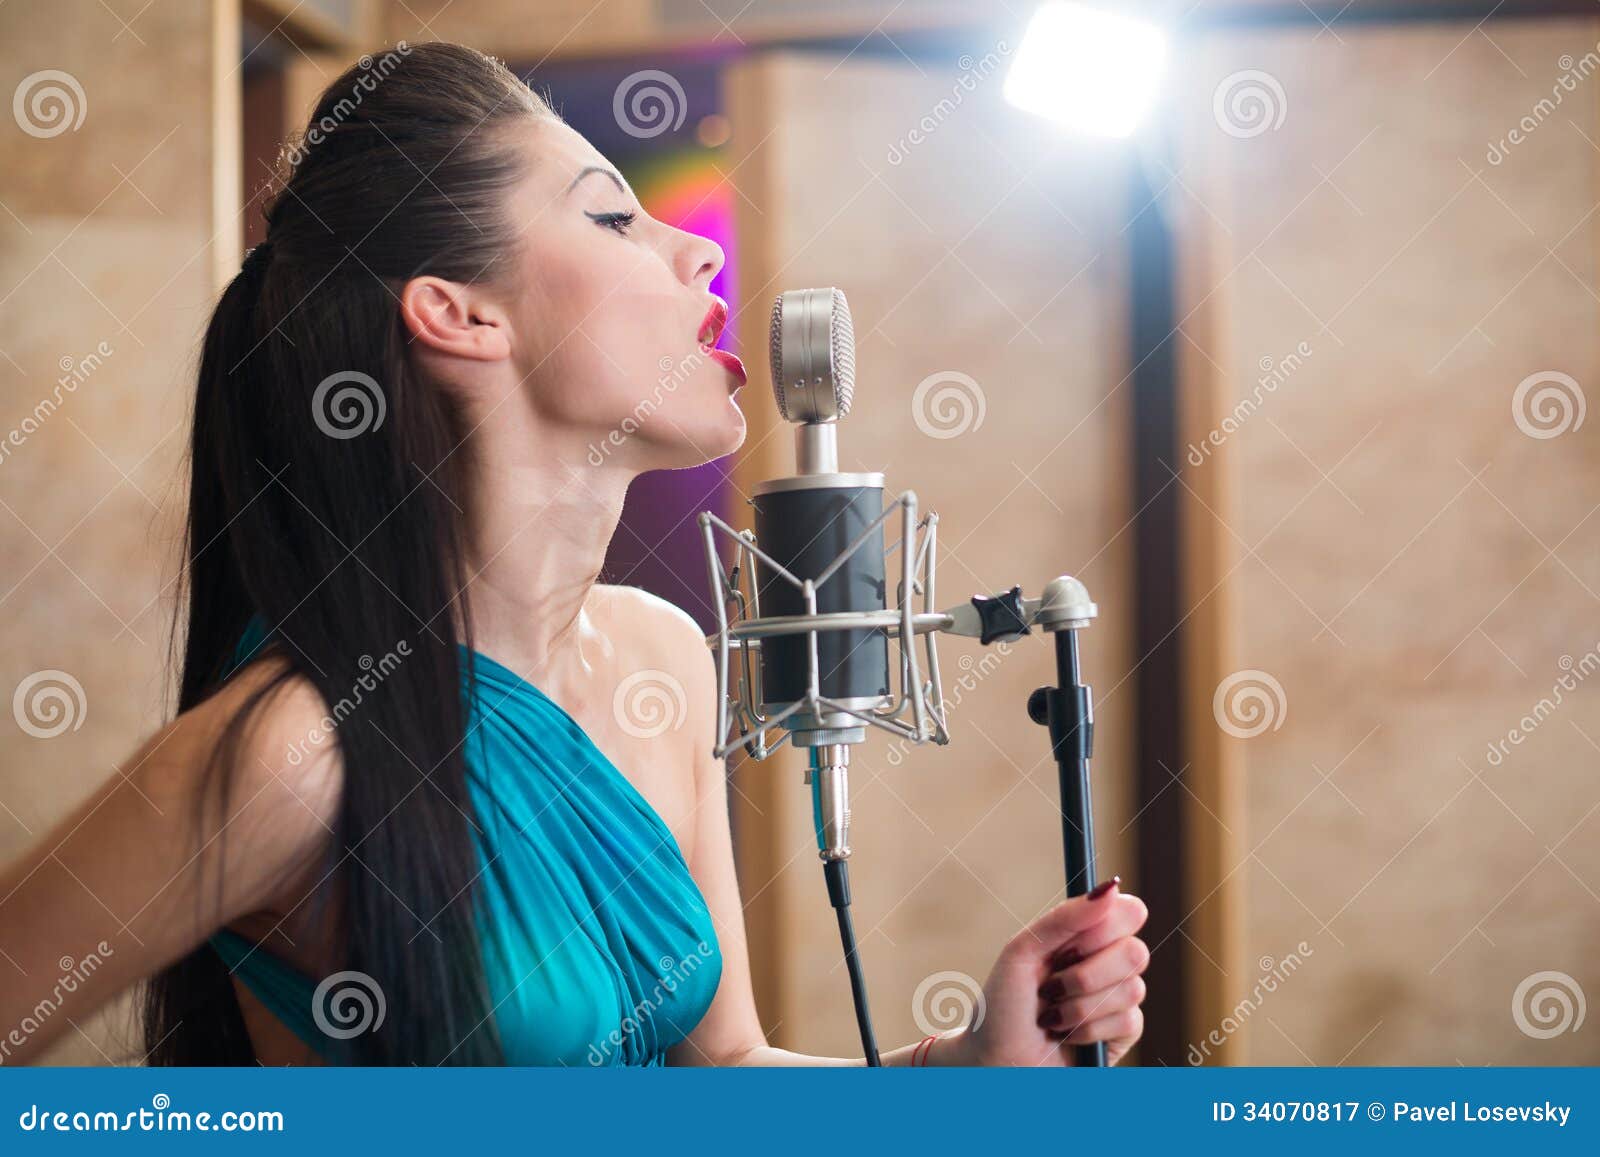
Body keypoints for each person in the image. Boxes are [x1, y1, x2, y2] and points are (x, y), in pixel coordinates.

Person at [0, 42, 1148, 1067]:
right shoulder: (293, 753)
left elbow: (726, 1071)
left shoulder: (663, 657)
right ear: (460, 315)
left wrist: (965, 1063)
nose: (697, 252)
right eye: (612, 218)